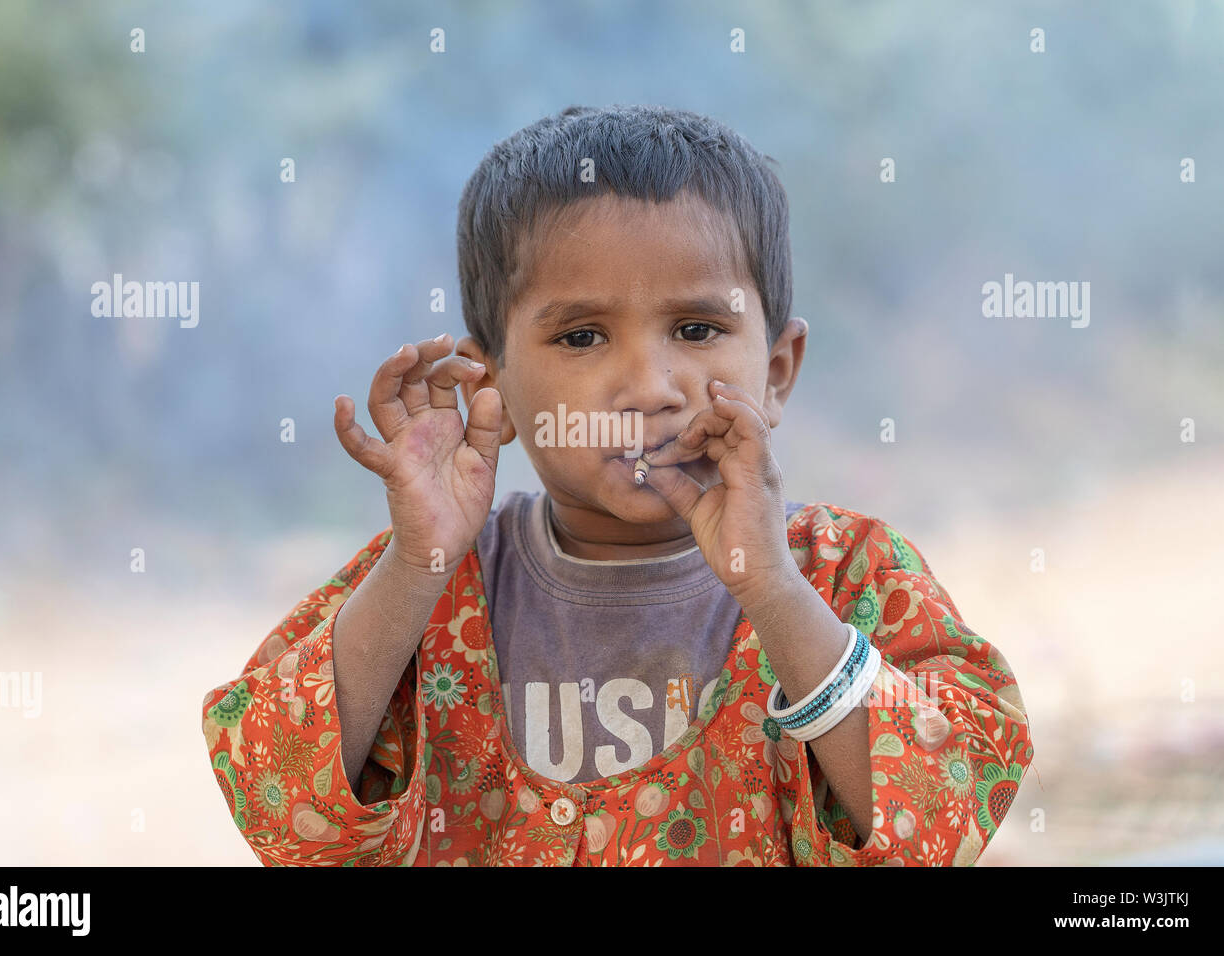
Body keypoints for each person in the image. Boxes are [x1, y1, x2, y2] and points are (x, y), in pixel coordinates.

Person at [201, 104, 1032, 866]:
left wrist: (772, 589)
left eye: (698, 328)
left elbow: (945, 812)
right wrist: (417, 562)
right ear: (492, 384)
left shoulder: (848, 575)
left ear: (776, 372)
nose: (649, 385)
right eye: (583, 335)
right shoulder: (436, 586)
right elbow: (282, 808)